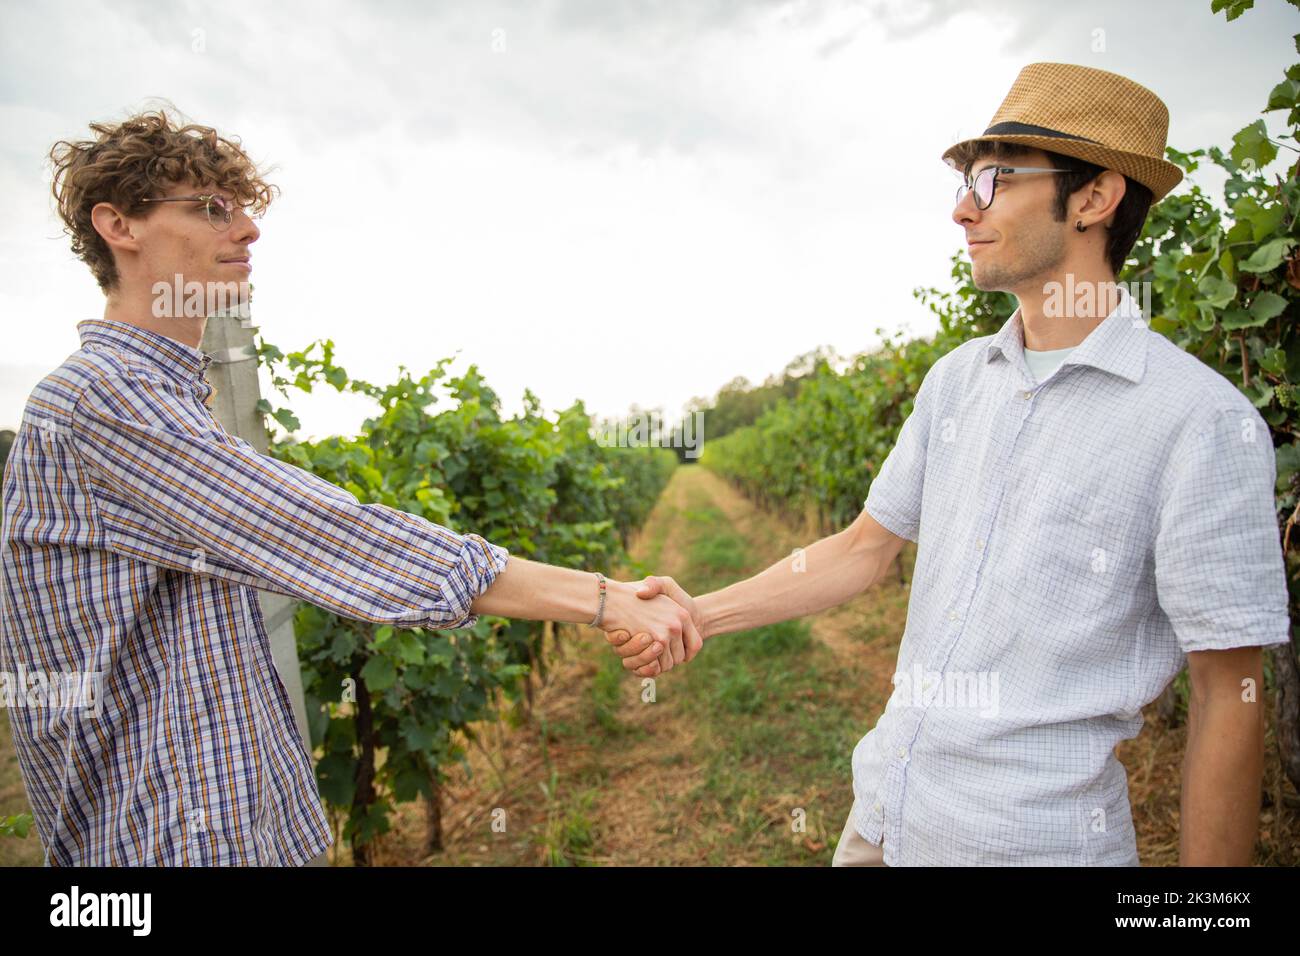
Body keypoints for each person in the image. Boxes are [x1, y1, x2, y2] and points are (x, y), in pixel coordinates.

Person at [618, 62, 1291, 866]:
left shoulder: (1200, 422)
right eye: (971, 179)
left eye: (997, 179)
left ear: (1094, 199)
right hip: (885, 818)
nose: (962, 207)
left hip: (1026, 845)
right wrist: (699, 613)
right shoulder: (958, 381)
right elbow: (865, 549)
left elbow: (1228, 692)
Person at [0, 110, 699, 866]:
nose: (248, 231)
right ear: (119, 225)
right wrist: (602, 598)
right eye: (212, 209)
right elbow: (322, 533)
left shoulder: (166, 399)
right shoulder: (99, 399)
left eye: (243, 209)